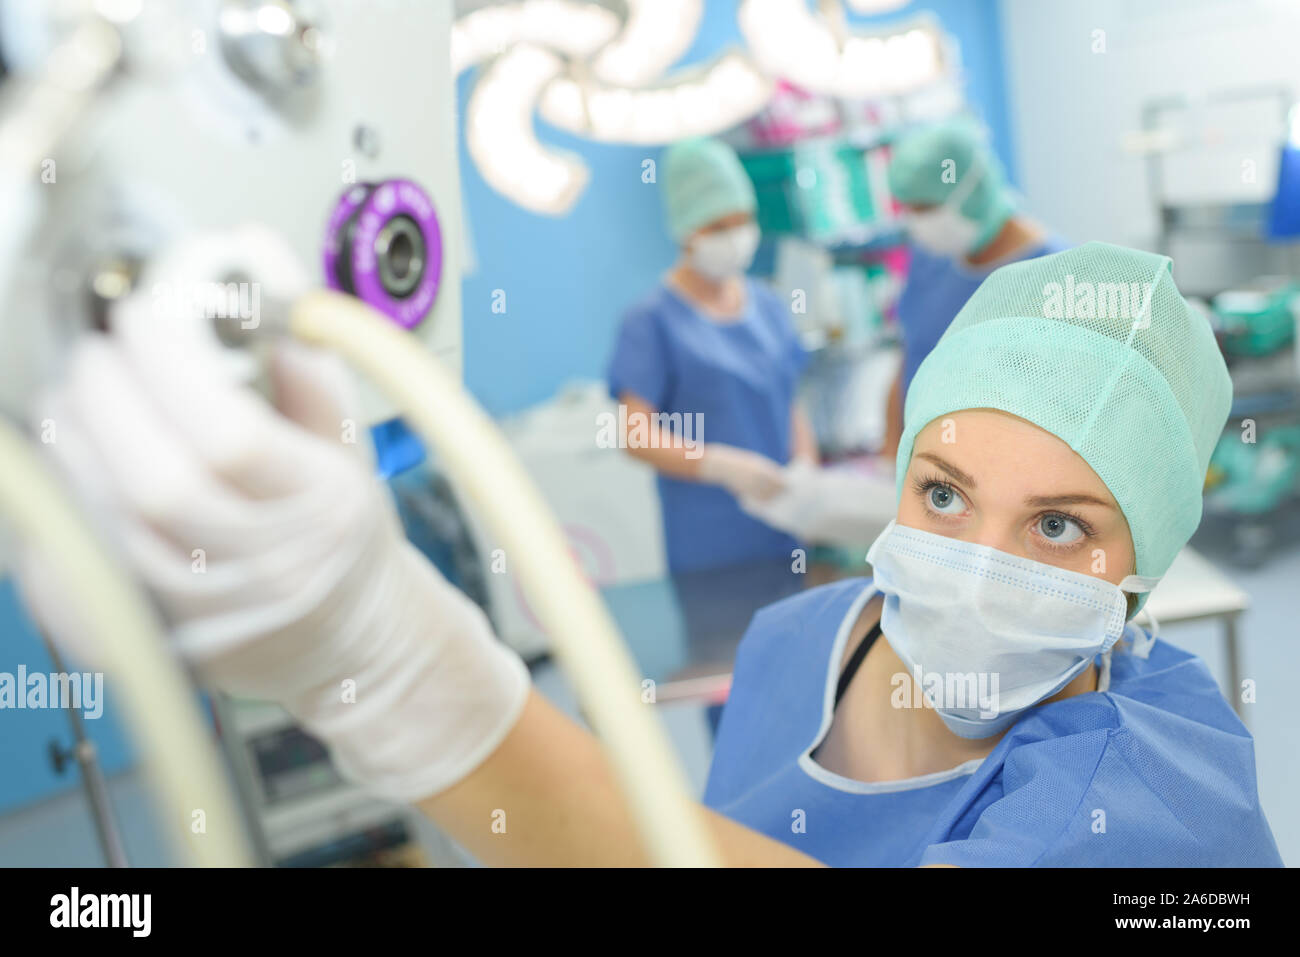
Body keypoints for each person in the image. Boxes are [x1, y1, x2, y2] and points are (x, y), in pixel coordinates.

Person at [19, 240, 1282, 866]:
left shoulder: (1159, 806)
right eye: (942, 493)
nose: (976, 560)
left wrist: (390, 667)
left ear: (1141, 565)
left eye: (1058, 526)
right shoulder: (801, 639)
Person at [607, 136, 817, 572]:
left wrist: (806, 469)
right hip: (711, 542)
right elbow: (635, 435)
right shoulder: (651, 320)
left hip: (784, 528)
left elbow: (789, 400)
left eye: (744, 221)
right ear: (686, 230)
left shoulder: (769, 305)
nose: (736, 237)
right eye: (719, 227)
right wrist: (719, 466)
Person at [880, 117, 1068, 458]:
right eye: (910, 209)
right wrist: (892, 456)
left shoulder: (1055, 275)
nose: (918, 222)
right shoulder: (931, 259)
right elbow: (911, 356)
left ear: (973, 191)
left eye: (928, 208)